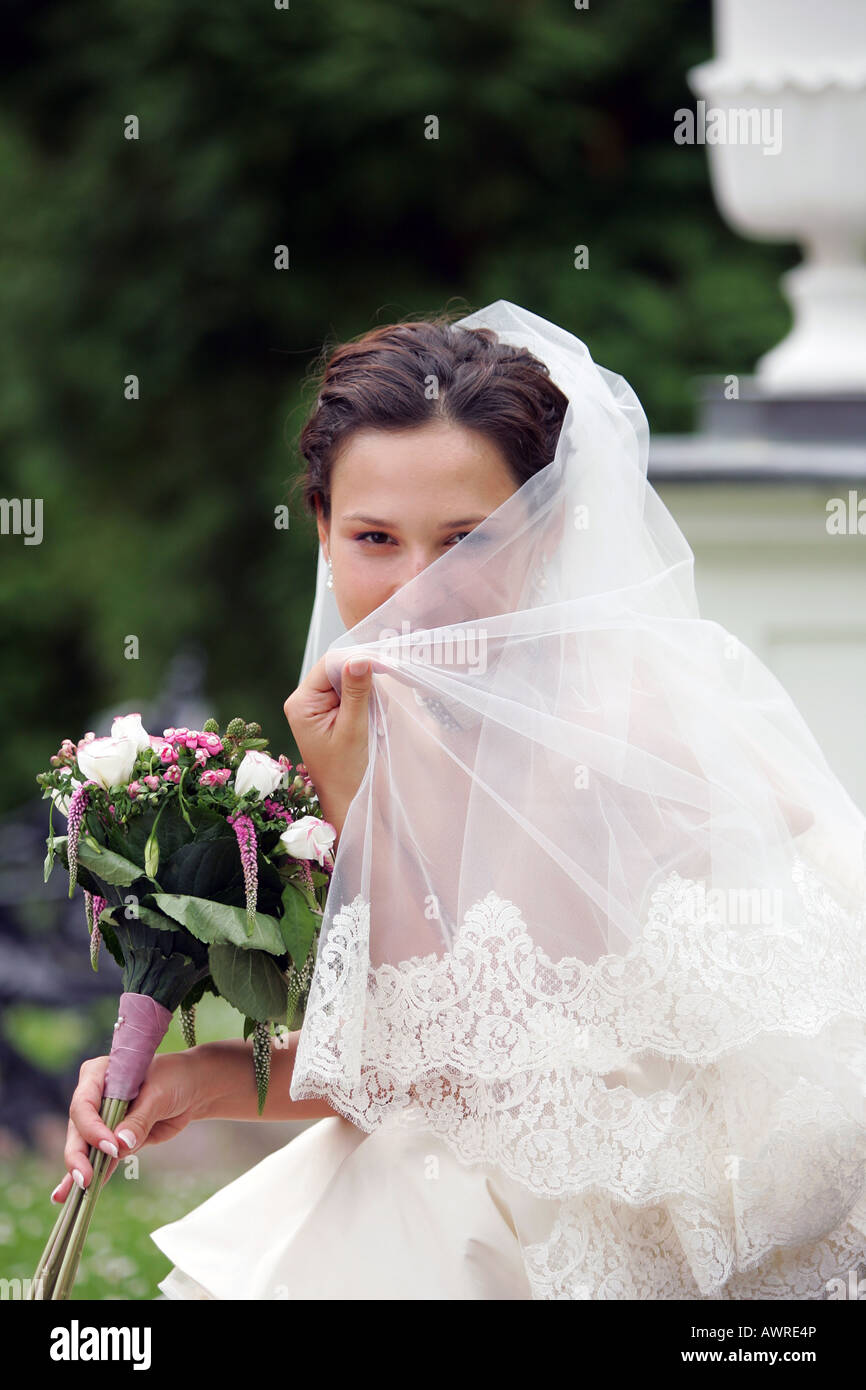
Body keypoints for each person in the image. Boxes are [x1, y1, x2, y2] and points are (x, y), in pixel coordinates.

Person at [54, 301, 866, 1300]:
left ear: (546, 530)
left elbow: (479, 1059)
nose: (416, 591)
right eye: (374, 538)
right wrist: (202, 1076)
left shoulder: (620, 729)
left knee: (405, 1202)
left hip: (667, 1194)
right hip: (499, 1136)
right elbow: (422, 1060)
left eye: (466, 541)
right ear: (320, 527)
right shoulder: (387, 713)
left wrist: (355, 798)